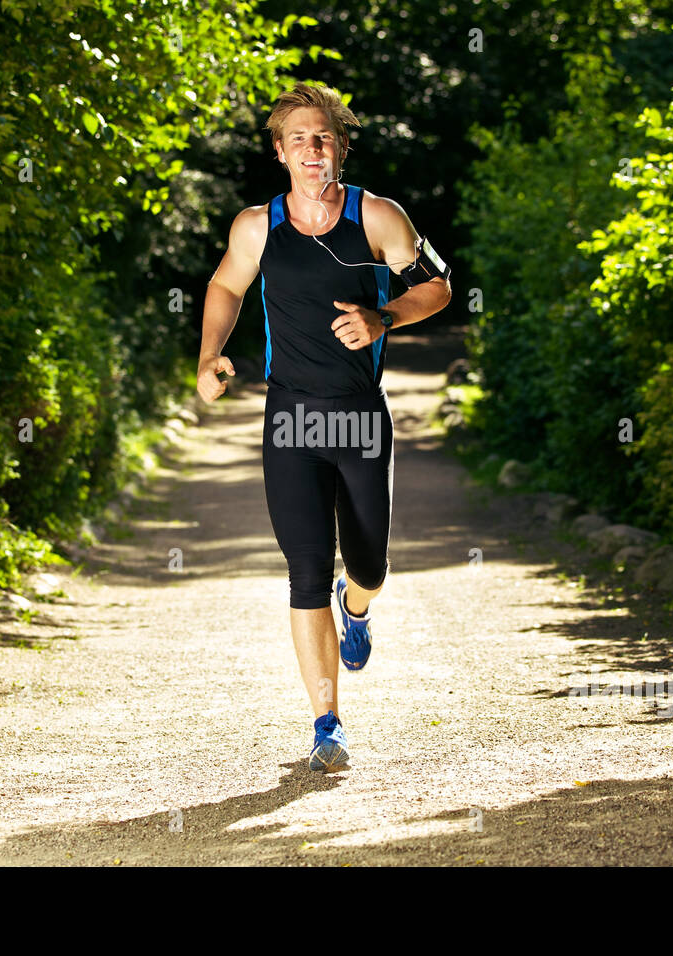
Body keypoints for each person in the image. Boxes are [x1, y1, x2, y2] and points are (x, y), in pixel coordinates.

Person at [196, 82, 452, 772]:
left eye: (325, 137)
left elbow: (438, 285)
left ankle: (359, 607)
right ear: (280, 152)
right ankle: (326, 725)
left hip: (361, 417)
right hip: (290, 418)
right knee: (305, 568)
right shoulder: (257, 227)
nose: (314, 150)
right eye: (300, 139)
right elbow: (226, 287)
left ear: (342, 145)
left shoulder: (378, 217)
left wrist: (384, 318)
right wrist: (209, 355)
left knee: (369, 564)